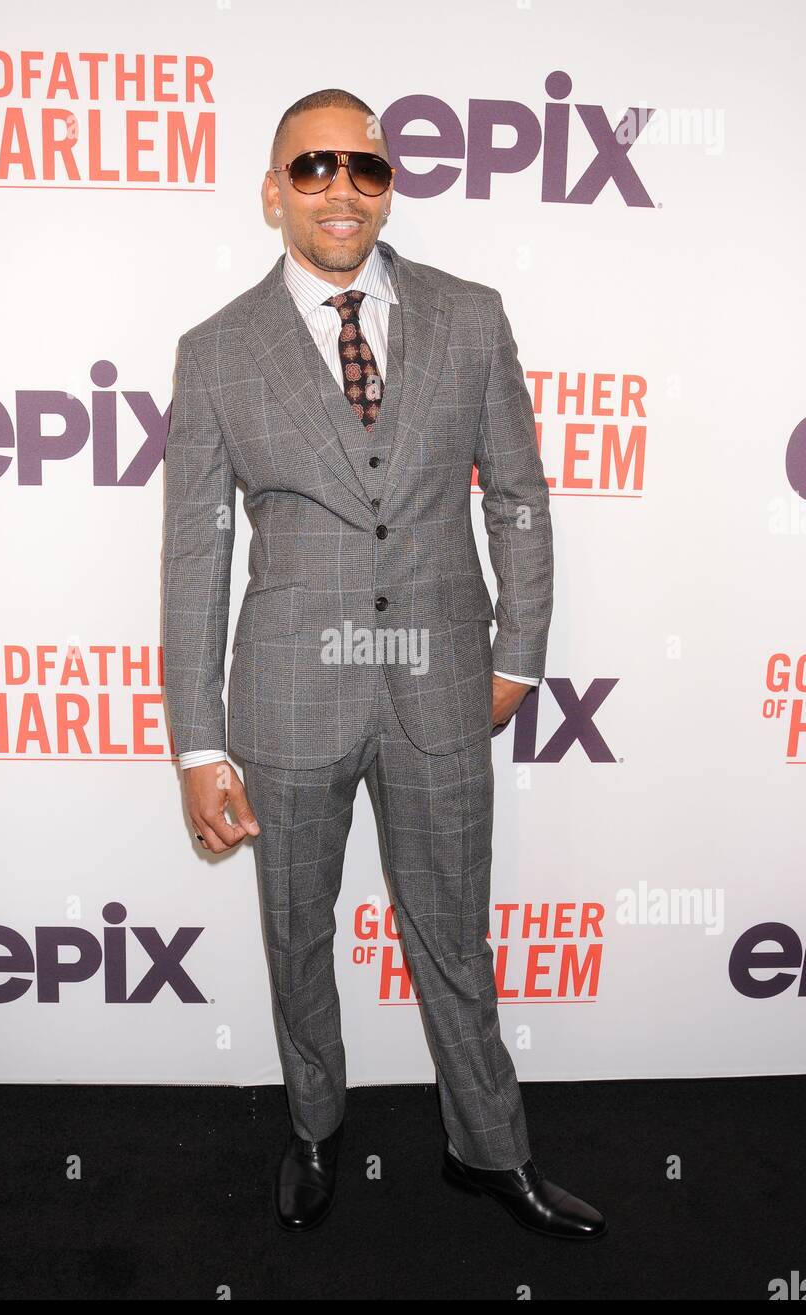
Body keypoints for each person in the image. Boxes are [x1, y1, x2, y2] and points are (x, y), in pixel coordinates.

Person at [161, 87, 606, 1241]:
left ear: (386, 183)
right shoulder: (214, 354)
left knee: (452, 936)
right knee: (296, 932)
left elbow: (517, 495)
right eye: (311, 168)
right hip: (286, 697)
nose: (339, 188)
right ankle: (314, 1124)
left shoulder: (469, 316)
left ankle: (488, 1149)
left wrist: (516, 655)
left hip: (441, 689)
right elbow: (195, 557)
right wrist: (198, 741)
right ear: (274, 192)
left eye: (362, 164)